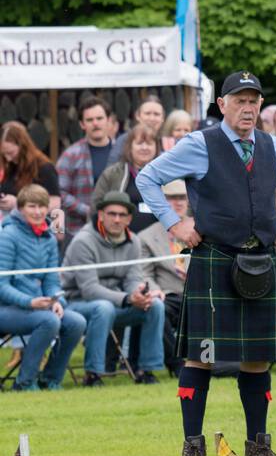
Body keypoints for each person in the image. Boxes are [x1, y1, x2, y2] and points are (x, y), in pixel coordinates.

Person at [135, 71, 276, 456]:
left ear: (261, 106)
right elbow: (148, 177)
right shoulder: (200, 143)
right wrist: (174, 223)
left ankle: (258, 446)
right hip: (214, 259)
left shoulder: (270, 145)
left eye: (254, 101)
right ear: (222, 105)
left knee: (258, 357)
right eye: (239, 100)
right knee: (201, 355)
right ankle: (193, 447)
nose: (247, 108)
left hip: (260, 262)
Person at [61, 192, 165, 386]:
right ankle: (93, 374)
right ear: (101, 215)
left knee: (155, 304)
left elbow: (133, 278)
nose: (117, 219)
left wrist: (139, 293)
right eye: (112, 214)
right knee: (103, 308)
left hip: (115, 301)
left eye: (122, 215)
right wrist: (127, 298)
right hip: (75, 303)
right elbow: (89, 290)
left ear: (129, 218)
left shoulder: (134, 241)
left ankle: (146, 370)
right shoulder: (83, 241)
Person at [0, 185, 86, 391]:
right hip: (7, 308)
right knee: (48, 321)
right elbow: (1, 284)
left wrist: (57, 301)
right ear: (20, 208)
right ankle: (24, 382)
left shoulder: (48, 237)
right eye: (32, 206)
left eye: (42, 206)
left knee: (76, 322)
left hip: (38, 306)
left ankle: (50, 379)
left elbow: (51, 280)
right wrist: (29, 302)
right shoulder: (7, 235)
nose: (38, 212)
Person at [135, 180, 192, 375]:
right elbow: (144, 273)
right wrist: (155, 290)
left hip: (200, 293)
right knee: (159, 309)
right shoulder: (147, 237)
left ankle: (219, 361)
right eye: (172, 198)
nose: (178, 203)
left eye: (182, 197)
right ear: (162, 202)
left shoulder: (203, 229)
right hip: (169, 294)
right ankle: (177, 365)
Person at [57, 96, 114, 238]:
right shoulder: (70, 155)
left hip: (117, 229)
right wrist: (87, 210)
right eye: (90, 120)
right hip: (80, 231)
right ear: (82, 124)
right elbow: (59, 192)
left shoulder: (121, 153)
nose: (95, 123)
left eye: (99, 118)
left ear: (108, 120)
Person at [91, 125, 160, 232]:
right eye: (139, 143)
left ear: (156, 147)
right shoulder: (112, 173)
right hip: (120, 239)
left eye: (149, 143)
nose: (144, 147)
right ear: (130, 147)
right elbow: (96, 206)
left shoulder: (167, 175)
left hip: (157, 240)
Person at [0, 121, 62, 220]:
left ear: (22, 146)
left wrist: (17, 204)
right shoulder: (11, 166)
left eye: (11, 153)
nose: (8, 159)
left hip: (38, 229)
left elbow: (55, 204)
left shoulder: (44, 168)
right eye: (4, 154)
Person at [108, 95, 165, 164]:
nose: (152, 118)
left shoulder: (168, 143)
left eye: (156, 114)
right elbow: (112, 168)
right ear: (137, 116)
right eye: (147, 113)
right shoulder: (125, 139)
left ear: (163, 118)